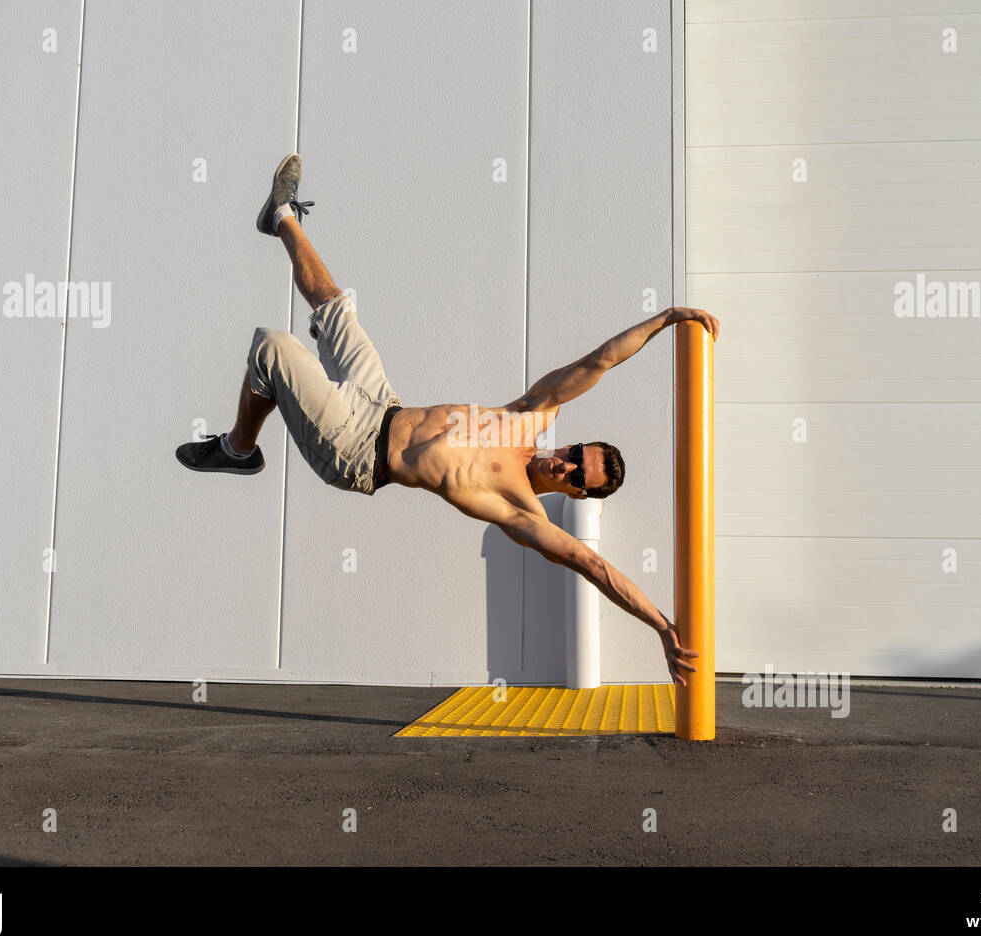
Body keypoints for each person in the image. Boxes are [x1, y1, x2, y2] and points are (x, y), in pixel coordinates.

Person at [177, 155, 718, 685]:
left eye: (579, 478)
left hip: (355, 451)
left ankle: (239, 451)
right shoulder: (528, 417)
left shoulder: (522, 511)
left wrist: (663, 628)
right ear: (573, 444)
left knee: (271, 347)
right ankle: (281, 217)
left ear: (576, 495)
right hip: (380, 402)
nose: (568, 467)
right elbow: (599, 361)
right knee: (335, 305)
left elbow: (594, 567)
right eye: (578, 456)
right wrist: (666, 318)